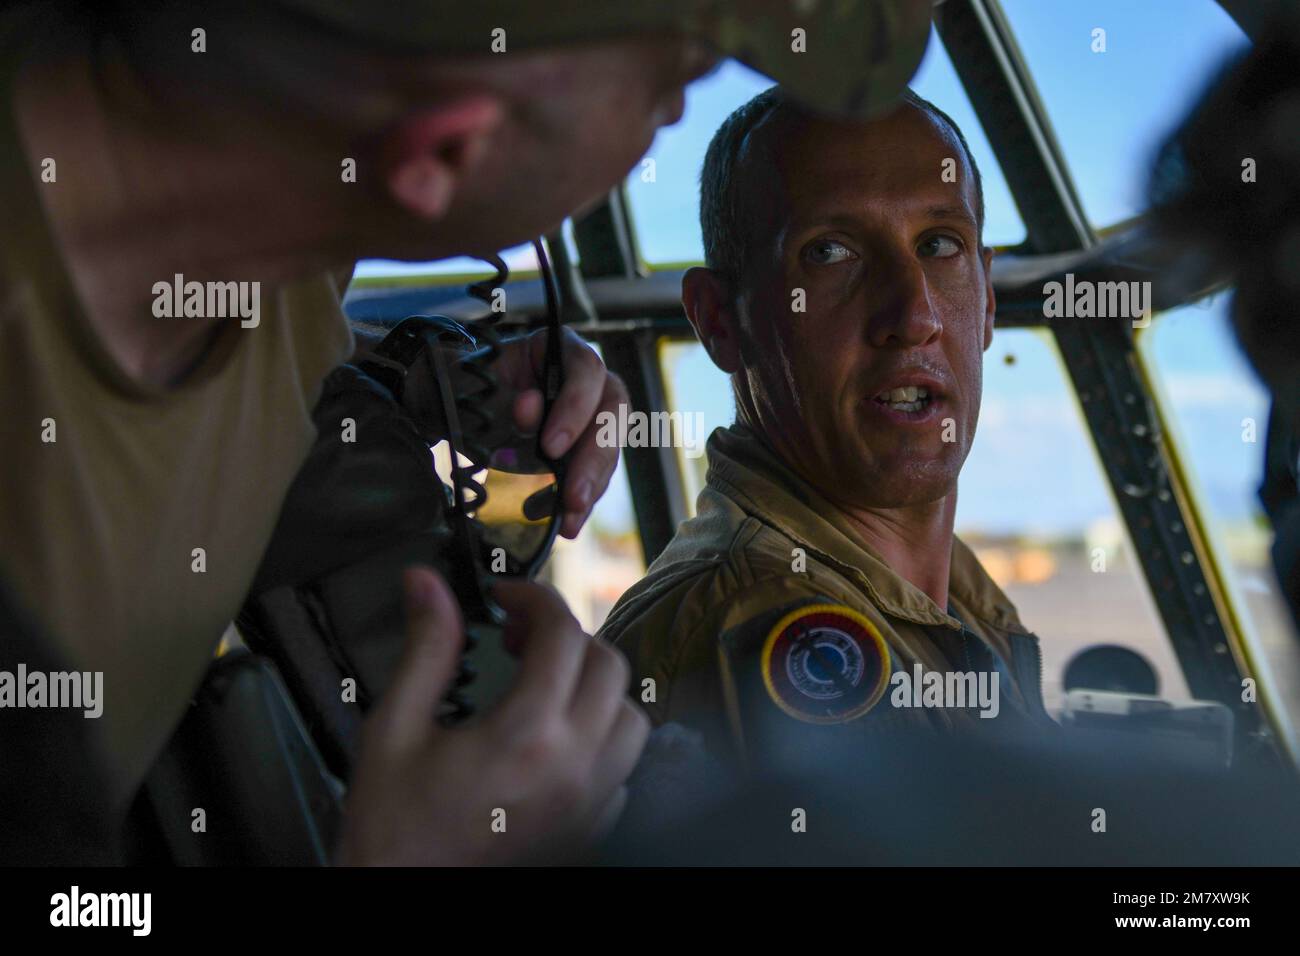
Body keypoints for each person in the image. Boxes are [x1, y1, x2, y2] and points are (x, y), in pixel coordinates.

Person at [0, 0, 927, 863]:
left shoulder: (267, 223)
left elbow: (282, 348)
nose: (677, 113)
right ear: (442, 156)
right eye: (667, 90)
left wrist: (433, 379)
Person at [598, 88, 1054, 768]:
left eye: (938, 244)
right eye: (831, 253)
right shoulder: (747, 630)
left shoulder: (951, 598)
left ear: (986, 301)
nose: (914, 314)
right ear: (720, 320)